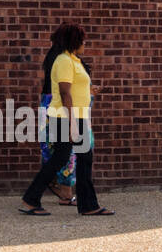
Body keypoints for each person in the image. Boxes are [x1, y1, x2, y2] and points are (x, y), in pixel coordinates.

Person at [19, 22, 113, 217]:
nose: (85, 43)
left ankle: (33, 199)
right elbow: (64, 92)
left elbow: (74, 87)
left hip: (76, 117)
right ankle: (84, 205)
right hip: (65, 117)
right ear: (74, 41)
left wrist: (88, 90)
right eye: (82, 40)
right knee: (69, 158)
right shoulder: (63, 60)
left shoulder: (74, 60)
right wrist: (71, 124)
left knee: (71, 158)